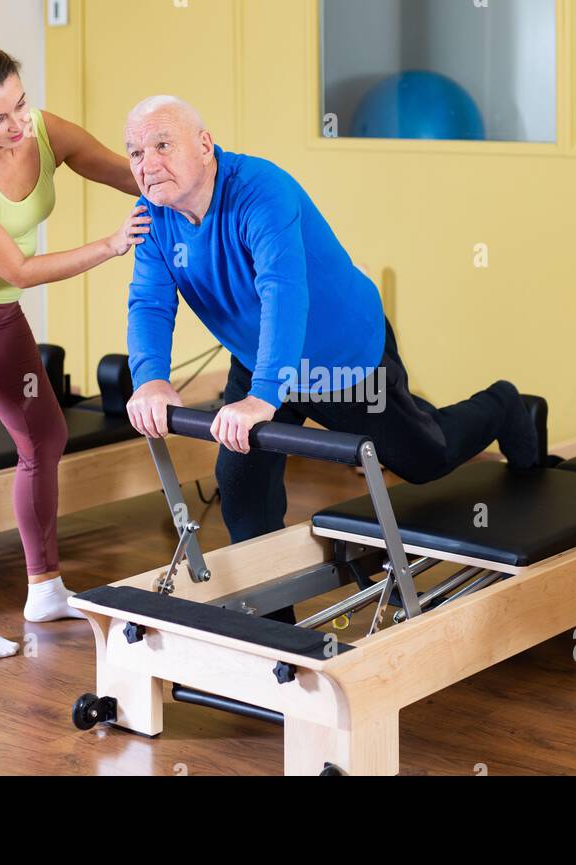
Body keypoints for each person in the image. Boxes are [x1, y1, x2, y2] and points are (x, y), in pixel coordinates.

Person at [121, 96, 538, 609]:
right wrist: (151, 379)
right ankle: (274, 628)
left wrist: (263, 397)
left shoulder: (260, 191)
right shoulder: (154, 216)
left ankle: (505, 404)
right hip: (261, 355)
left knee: (424, 457)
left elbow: (282, 290)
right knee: (241, 482)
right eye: (136, 152)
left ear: (205, 146)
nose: (147, 164)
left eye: (162, 145)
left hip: (341, 355)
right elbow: (150, 301)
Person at [0, 42, 147, 658]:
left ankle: (45, 587)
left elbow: (123, 171)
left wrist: (187, 177)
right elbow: (17, 266)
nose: (16, 127)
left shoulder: (42, 131)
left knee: (44, 435)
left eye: (20, 105)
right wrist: (112, 244)